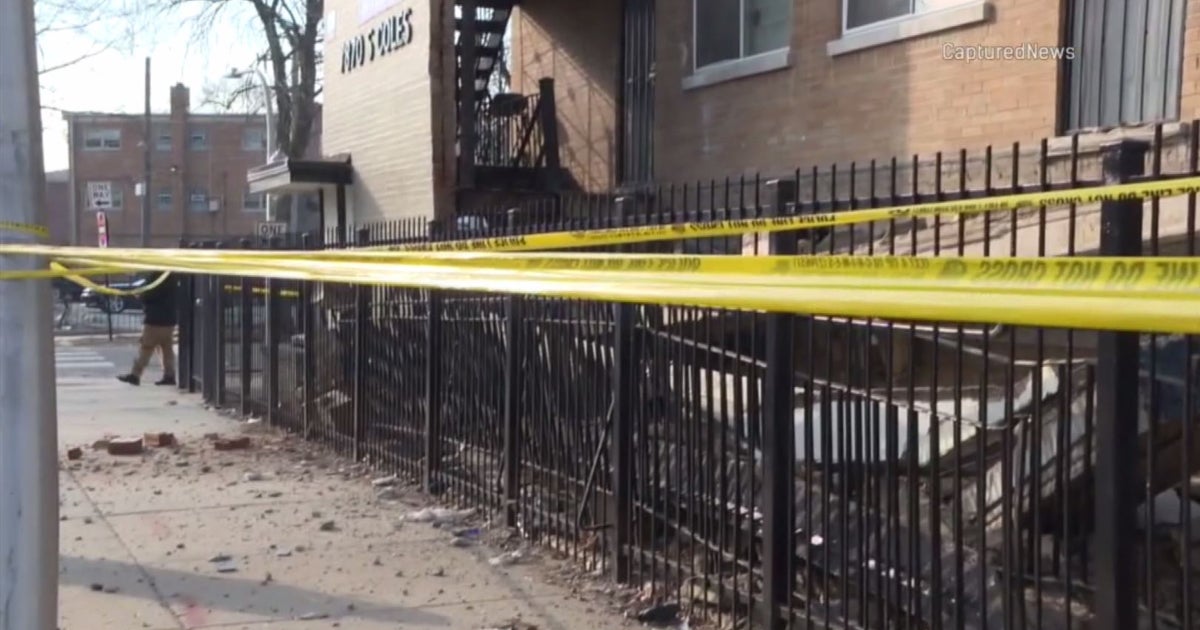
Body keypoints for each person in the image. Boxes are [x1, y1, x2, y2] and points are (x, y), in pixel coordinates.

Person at [117, 271, 178, 386]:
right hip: (169, 318)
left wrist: (141, 294)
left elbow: (149, 294)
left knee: (146, 346)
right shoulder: (171, 276)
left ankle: (135, 374)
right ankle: (169, 375)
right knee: (166, 348)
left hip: (155, 318)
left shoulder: (157, 277)